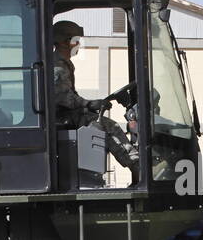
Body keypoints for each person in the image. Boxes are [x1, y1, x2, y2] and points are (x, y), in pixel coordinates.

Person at [51, 20, 139, 173]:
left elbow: (71, 96)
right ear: (65, 42)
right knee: (109, 125)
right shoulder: (58, 66)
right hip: (59, 117)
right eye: (75, 40)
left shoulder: (65, 63)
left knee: (98, 120)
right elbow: (64, 98)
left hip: (65, 114)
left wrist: (90, 105)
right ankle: (136, 165)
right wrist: (89, 104)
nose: (78, 44)